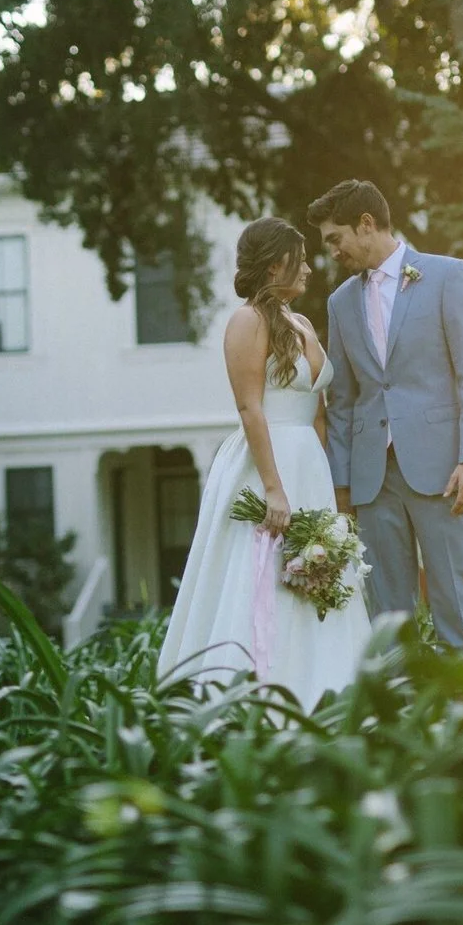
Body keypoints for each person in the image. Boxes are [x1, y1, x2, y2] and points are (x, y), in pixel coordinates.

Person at [156, 217, 371, 705]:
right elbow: (250, 407)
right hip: (265, 464)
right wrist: (274, 488)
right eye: (300, 260)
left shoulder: (302, 324)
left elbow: (318, 412)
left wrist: (331, 487)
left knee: (319, 572)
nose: (309, 269)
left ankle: (325, 687)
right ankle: (253, 689)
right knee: (260, 578)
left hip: (309, 464)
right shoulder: (246, 321)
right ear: (275, 264)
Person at [310, 179, 463, 649]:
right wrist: (342, 486)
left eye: (335, 238)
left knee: (456, 610)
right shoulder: (340, 302)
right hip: (373, 480)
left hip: (443, 470)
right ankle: (399, 696)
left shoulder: (448, 276)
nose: (332, 251)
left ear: (366, 224)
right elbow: (342, 401)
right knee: (387, 621)